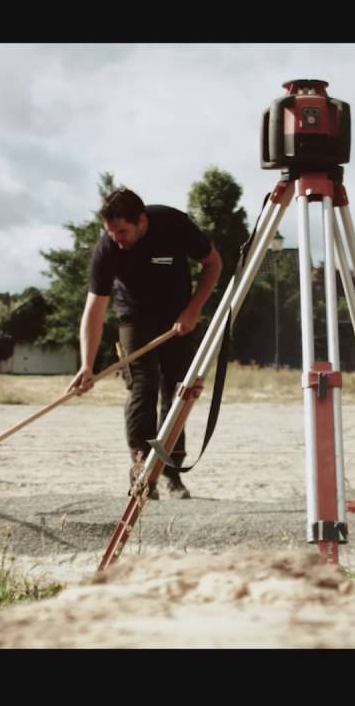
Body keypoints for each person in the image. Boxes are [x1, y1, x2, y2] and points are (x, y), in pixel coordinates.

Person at [68, 188, 223, 499]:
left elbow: (214, 264)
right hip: (134, 319)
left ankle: (171, 473)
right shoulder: (107, 248)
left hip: (178, 318)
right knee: (143, 386)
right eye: (111, 233)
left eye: (122, 231)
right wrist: (86, 365)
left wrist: (193, 310)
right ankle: (142, 470)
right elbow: (94, 309)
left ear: (141, 220)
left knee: (177, 392)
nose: (116, 239)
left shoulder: (173, 224)